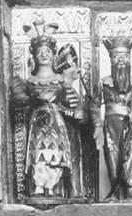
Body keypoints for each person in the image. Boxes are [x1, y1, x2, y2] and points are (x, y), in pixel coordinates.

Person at [11, 26, 85, 199]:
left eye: (47, 52)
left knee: (55, 155)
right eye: (39, 52)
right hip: (36, 128)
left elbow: (75, 109)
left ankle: (55, 188)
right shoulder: (29, 82)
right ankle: (37, 187)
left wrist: (61, 102)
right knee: (37, 155)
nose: (44, 55)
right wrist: (35, 99)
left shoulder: (62, 82)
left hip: (57, 128)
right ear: (34, 56)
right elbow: (20, 101)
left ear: (53, 55)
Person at [99, 36, 132, 201]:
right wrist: (97, 126)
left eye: (125, 56)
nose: (121, 60)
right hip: (110, 127)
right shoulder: (103, 84)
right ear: (111, 59)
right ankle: (116, 190)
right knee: (112, 156)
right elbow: (93, 105)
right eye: (116, 56)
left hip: (130, 125)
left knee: (130, 156)